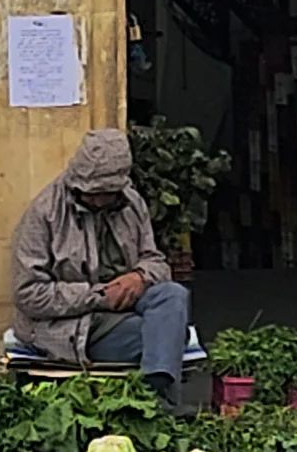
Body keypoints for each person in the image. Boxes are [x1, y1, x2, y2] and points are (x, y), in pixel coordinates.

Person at [11, 127, 189, 409]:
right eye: (90, 193)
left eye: (104, 193)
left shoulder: (132, 203)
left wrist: (139, 277)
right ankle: (157, 399)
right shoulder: (44, 214)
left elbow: (156, 261)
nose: (95, 200)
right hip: (75, 324)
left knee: (173, 295)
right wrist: (98, 296)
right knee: (165, 336)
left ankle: (155, 391)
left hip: (128, 305)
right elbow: (28, 294)